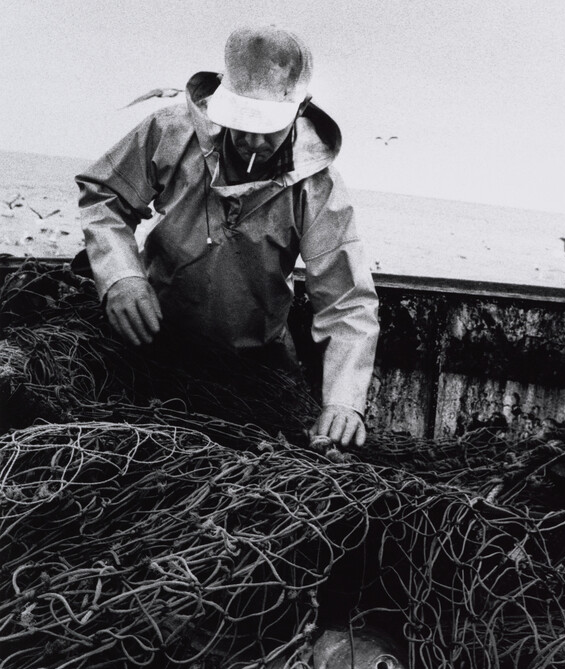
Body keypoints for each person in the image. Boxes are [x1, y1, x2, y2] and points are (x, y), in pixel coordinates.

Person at [76, 25, 379, 447]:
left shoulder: (318, 186)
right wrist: (121, 276)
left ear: (301, 107)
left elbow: (347, 302)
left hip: (251, 362)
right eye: (243, 122)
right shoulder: (170, 130)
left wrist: (344, 400)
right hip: (152, 334)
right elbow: (105, 194)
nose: (253, 141)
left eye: (268, 127)